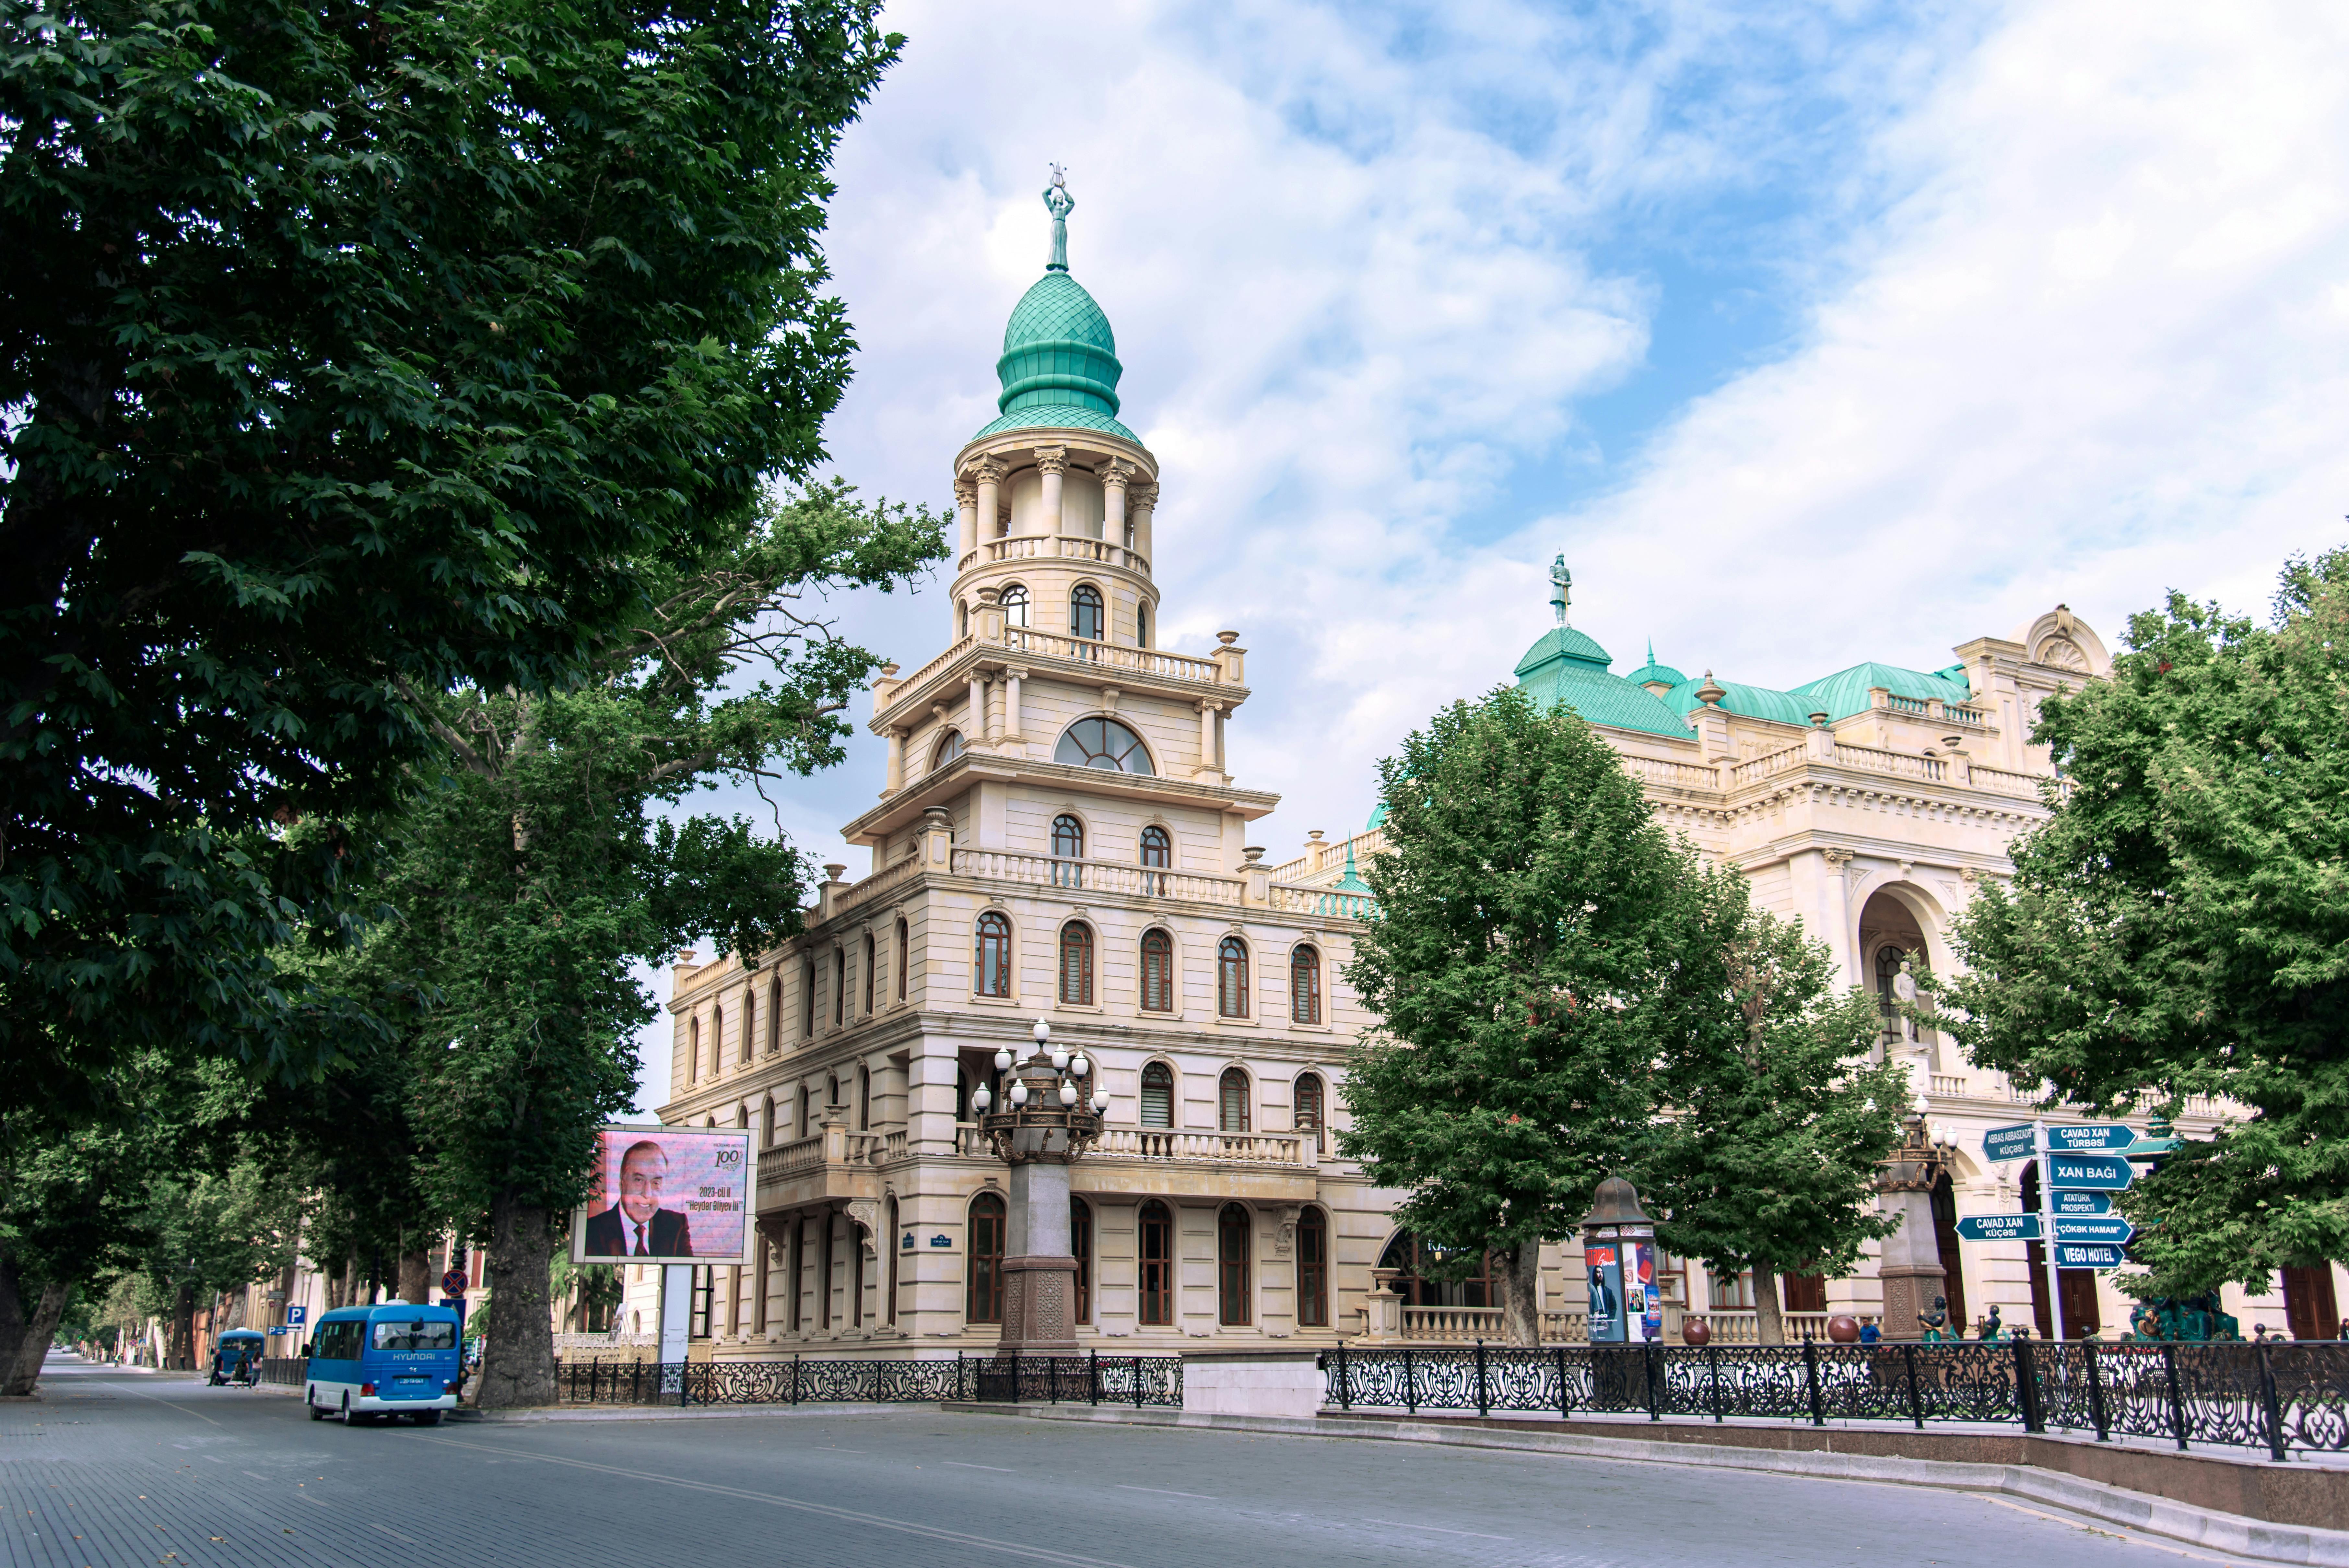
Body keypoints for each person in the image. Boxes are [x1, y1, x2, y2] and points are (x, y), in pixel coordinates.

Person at [582, 1139, 694, 1257]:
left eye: (656, 1183)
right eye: (639, 1180)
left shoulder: (676, 1225)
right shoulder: (591, 1230)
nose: (647, 1194)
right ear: (622, 1182)